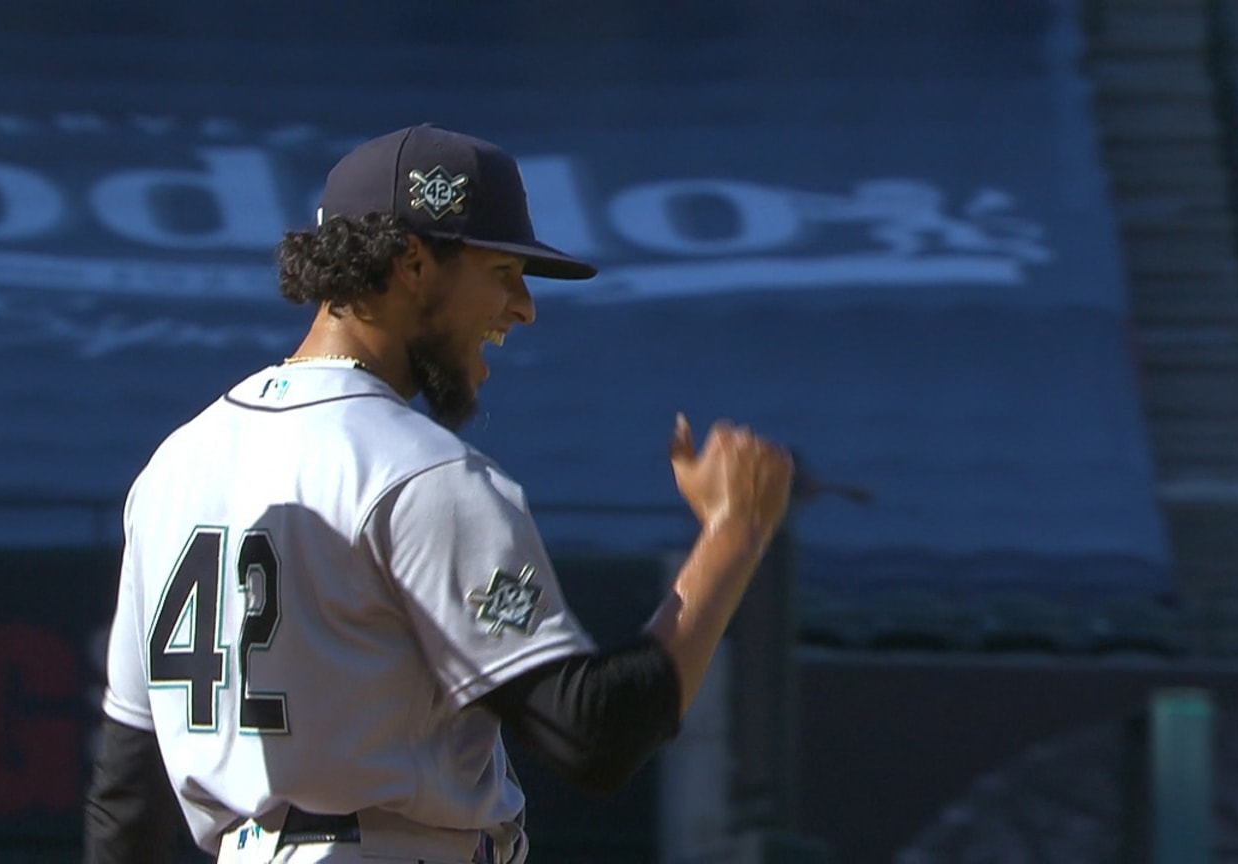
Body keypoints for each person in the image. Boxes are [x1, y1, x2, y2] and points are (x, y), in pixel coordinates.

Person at [84, 123, 794, 864]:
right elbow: (593, 734)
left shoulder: (175, 468)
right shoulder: (418, 471)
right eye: (501, 272)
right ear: (414, 263)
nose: (522, 307)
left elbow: (126, 791)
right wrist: (732, 535)